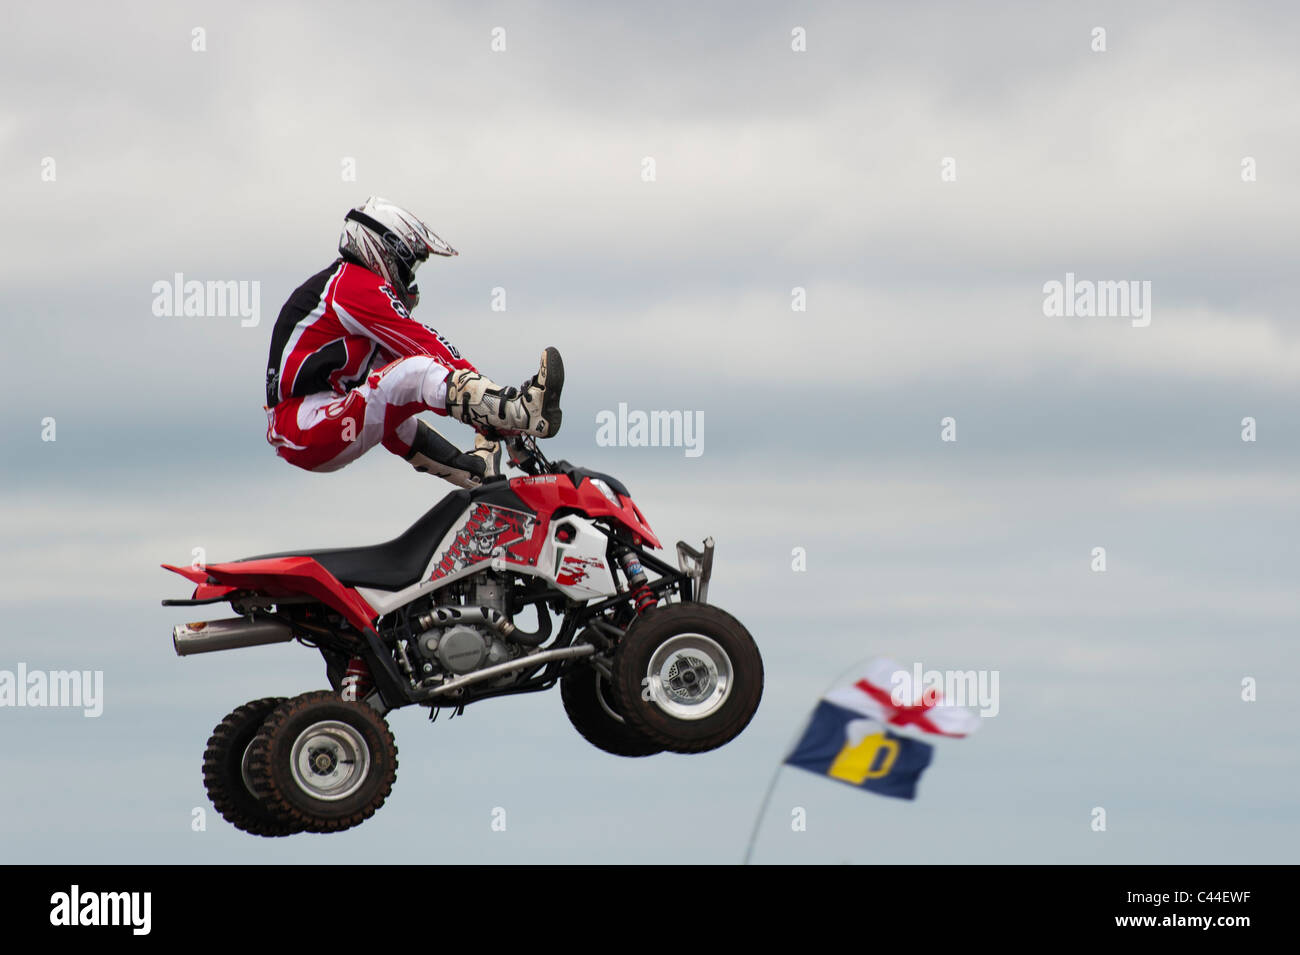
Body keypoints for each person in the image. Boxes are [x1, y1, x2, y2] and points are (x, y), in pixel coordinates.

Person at [263, 197, 562, 488]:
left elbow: (399, 401)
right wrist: (506, 410)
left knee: (396, 393)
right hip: (304, 422)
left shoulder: (345, 305)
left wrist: (493, 433)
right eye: (409, 267)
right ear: (385, 251)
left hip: (308, 426)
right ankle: (520, 409)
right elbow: (425, 344)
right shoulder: (352, 283)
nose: (410, 282)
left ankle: (473, 474)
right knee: (414, 372)